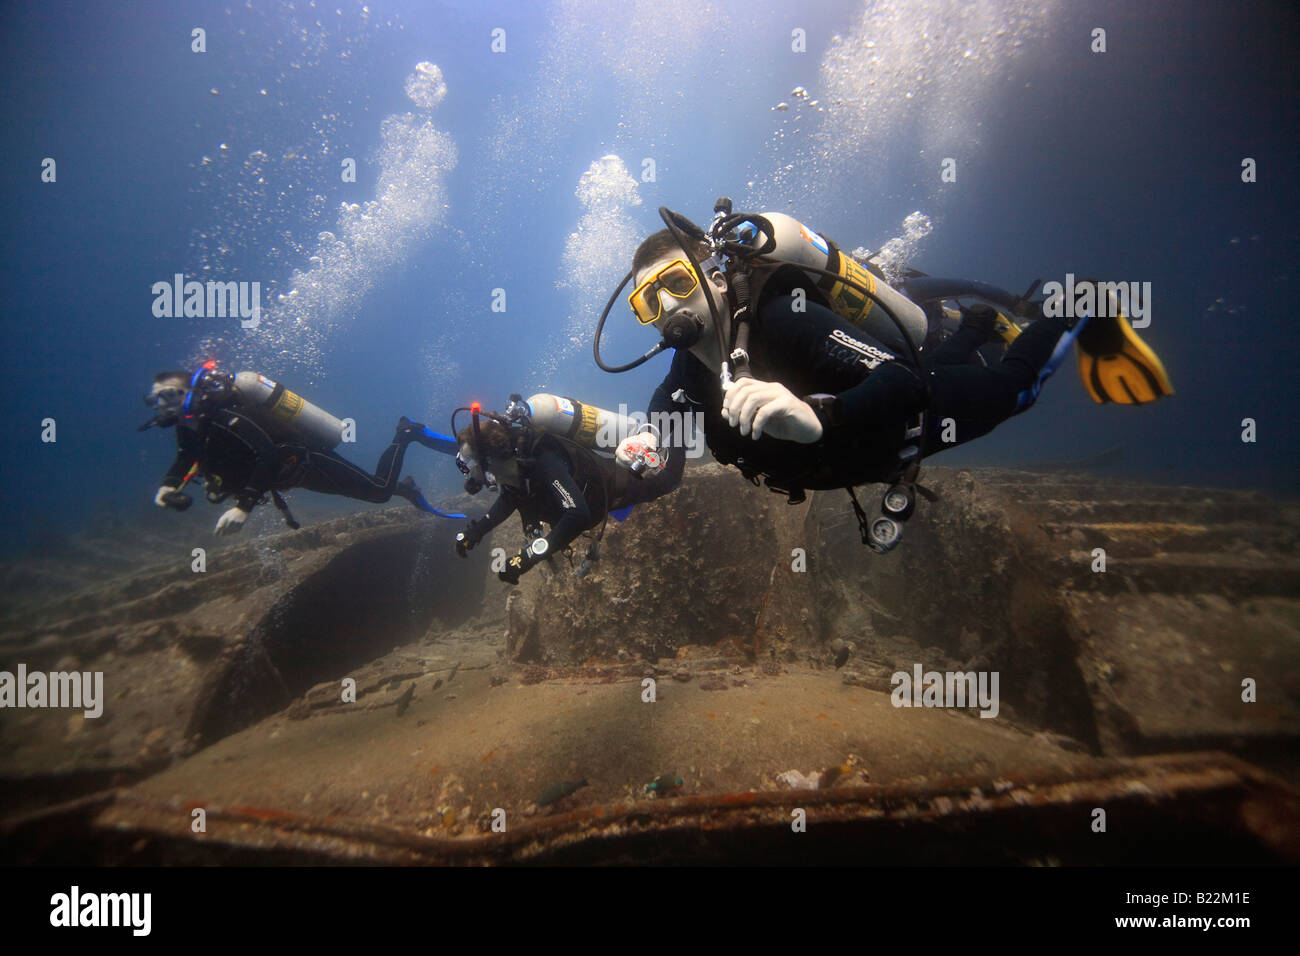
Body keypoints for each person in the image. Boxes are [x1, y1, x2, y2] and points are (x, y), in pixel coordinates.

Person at [594, 203, 1172, 550]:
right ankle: (977, 325)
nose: (668, 309)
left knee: (1016, 390)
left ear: (716, 276)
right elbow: (664, 468)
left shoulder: (782, 320)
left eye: (675, 282)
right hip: (864, 458)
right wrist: (621, 480)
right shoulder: (679, 388)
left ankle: (1083, 303)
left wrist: (819, 416)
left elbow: (903, 384)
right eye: (647, 303)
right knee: (949, 355)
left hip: (909, 428)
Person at [142, 363, 463, 535]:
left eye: (167, 395)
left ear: (189, 392)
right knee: (370, 490)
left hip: (307, 461)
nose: (160, 405)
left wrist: (243, 507)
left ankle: (405, 434)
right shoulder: (191, 427)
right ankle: (405, 488)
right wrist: (167, 487)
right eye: (155, 399)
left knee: (377, 491)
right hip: (293, 475)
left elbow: (268, 452)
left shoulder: (226, 417)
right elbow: (186, 457)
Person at [450, 399, 682, 583]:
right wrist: (476, 532)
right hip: (584, 496)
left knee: (668, 481)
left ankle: (681, 421)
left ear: (492, 456)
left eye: (476, 465)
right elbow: (510, 498)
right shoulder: (512, 467)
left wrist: (525, 559)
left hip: (609, 487)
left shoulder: (540, 457)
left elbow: (577, 515)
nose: (476, 475)